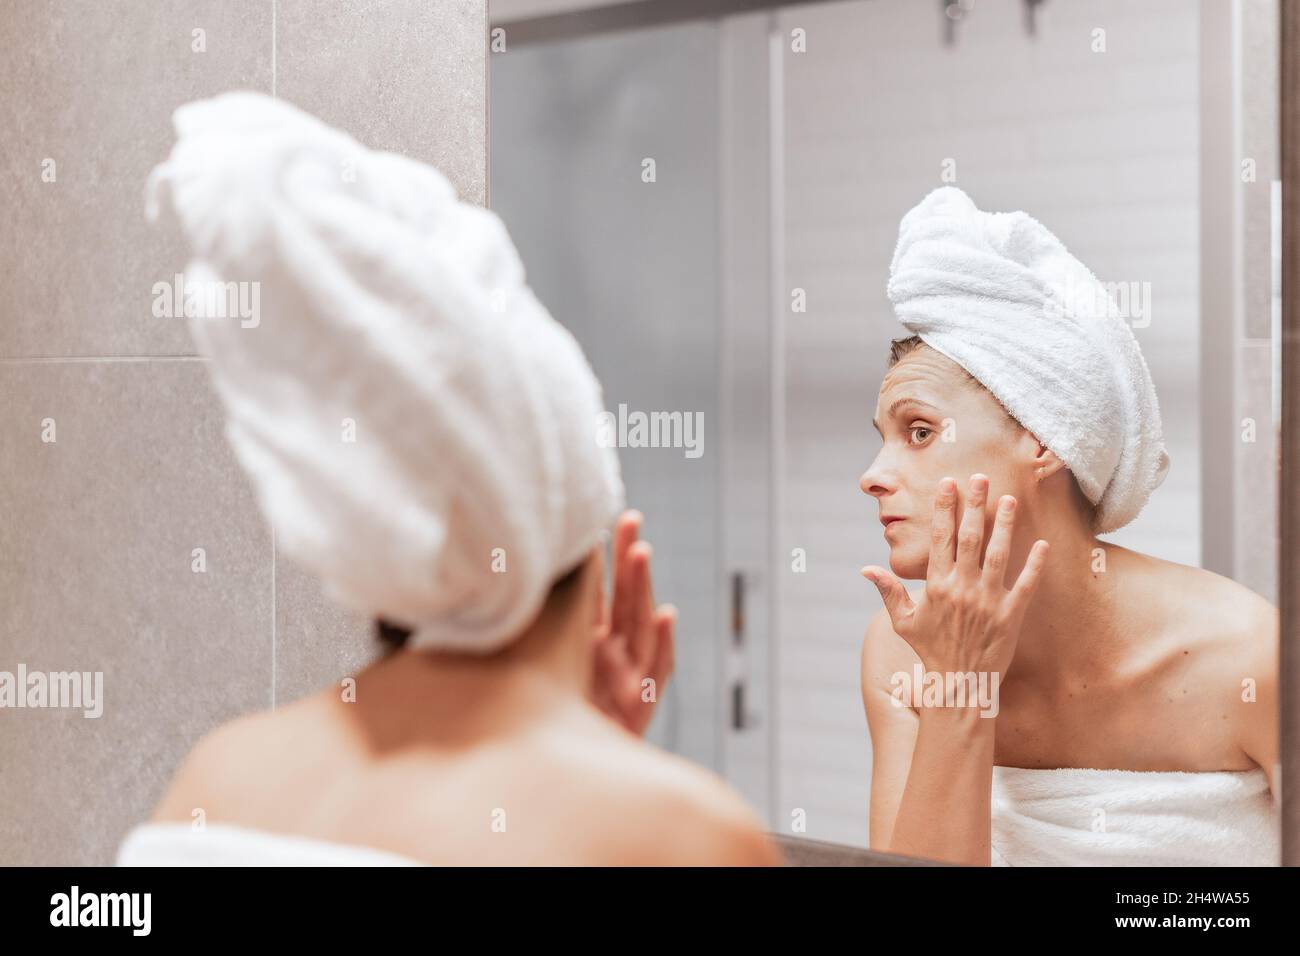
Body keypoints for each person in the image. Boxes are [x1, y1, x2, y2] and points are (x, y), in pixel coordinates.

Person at [117, 91, 780, 867]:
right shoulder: (680, 835)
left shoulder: (217, 782)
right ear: (584, 544)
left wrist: (581, 741)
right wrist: (594, 757)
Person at [858, 187, 1280, 867]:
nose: (873, 474)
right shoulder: (903, 650)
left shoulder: (1251, 658)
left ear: (1044, 440)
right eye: (884, 437)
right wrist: (960, 682)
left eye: (920, 430)